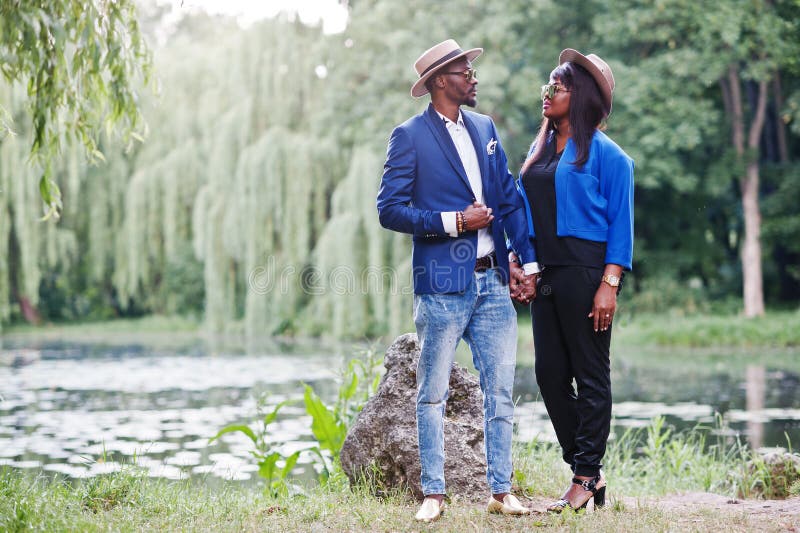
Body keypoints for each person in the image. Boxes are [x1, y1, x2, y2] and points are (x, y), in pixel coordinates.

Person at [377, 39, 539, 522]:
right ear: (439, 82)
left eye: (471, 69)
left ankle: (501, 491)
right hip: (442, 286)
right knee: (432, 393)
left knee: (501, 390)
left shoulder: (486, 128)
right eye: (465, 70)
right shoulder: (408, 136)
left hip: (492, 284)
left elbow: (508, 198)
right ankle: (433, 494)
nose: (473, 77)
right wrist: (454, 222)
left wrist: (525, 264)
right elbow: (389, 210)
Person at [509, 48, 634, 512]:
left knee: (591, 372)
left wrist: (610, 282)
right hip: (545, 273)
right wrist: (517, 259)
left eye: (557, 86)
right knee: (549, 374)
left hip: (587, 272)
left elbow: (621, 221)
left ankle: (584, 474)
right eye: (548, 84)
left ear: (578, 96)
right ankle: (588, 470)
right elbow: (523, 211)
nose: (548, 92)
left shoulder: (610, 157)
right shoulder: (539, 151)